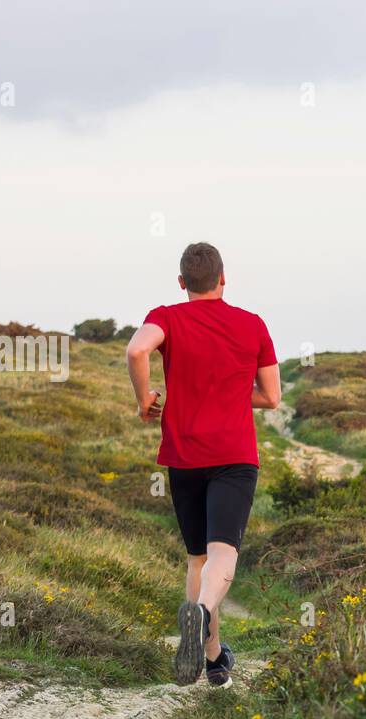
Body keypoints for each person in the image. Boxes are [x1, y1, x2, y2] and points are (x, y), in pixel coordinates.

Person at [125, 242, 281, 688]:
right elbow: (271, 397)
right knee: (222, 553)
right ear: (223, 278)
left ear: (181, 283)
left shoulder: (168, 316)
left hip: (184, 454)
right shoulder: (252, 325)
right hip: (233, 456)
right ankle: (203, 615)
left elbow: (137, 351)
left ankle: (212, 658)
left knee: (197, 559)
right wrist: (234, 396)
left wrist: (144, 400)